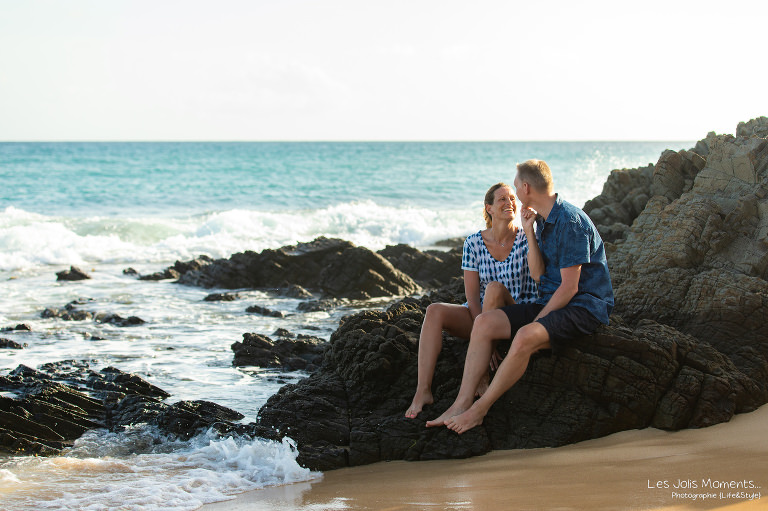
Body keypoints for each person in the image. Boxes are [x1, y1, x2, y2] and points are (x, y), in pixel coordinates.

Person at [426, 159, 614, 433]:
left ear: (525, 188)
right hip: (550, 300)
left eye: (515, 187)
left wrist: (536, 322)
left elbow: (570, 288)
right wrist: (528, 229)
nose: (514, 194)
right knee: (483, 322)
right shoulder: (543, 222)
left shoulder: (570, 222)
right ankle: (461, 402)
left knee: (526, 335)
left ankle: (480, 410)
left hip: (583, 306)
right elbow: (540, 277)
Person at [405, 182, 541, 419]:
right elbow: (470, 295)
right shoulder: (473, 243)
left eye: (512, 199)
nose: (509, 202)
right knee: (435, 310)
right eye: (502, 199)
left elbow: (539, 276)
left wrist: (530, 233)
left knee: (494, 289)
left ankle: (481, 375)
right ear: (488, 208)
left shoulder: (526, 237)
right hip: (481, 316)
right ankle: (422, 391)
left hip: (516, 312)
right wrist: (482, 333)